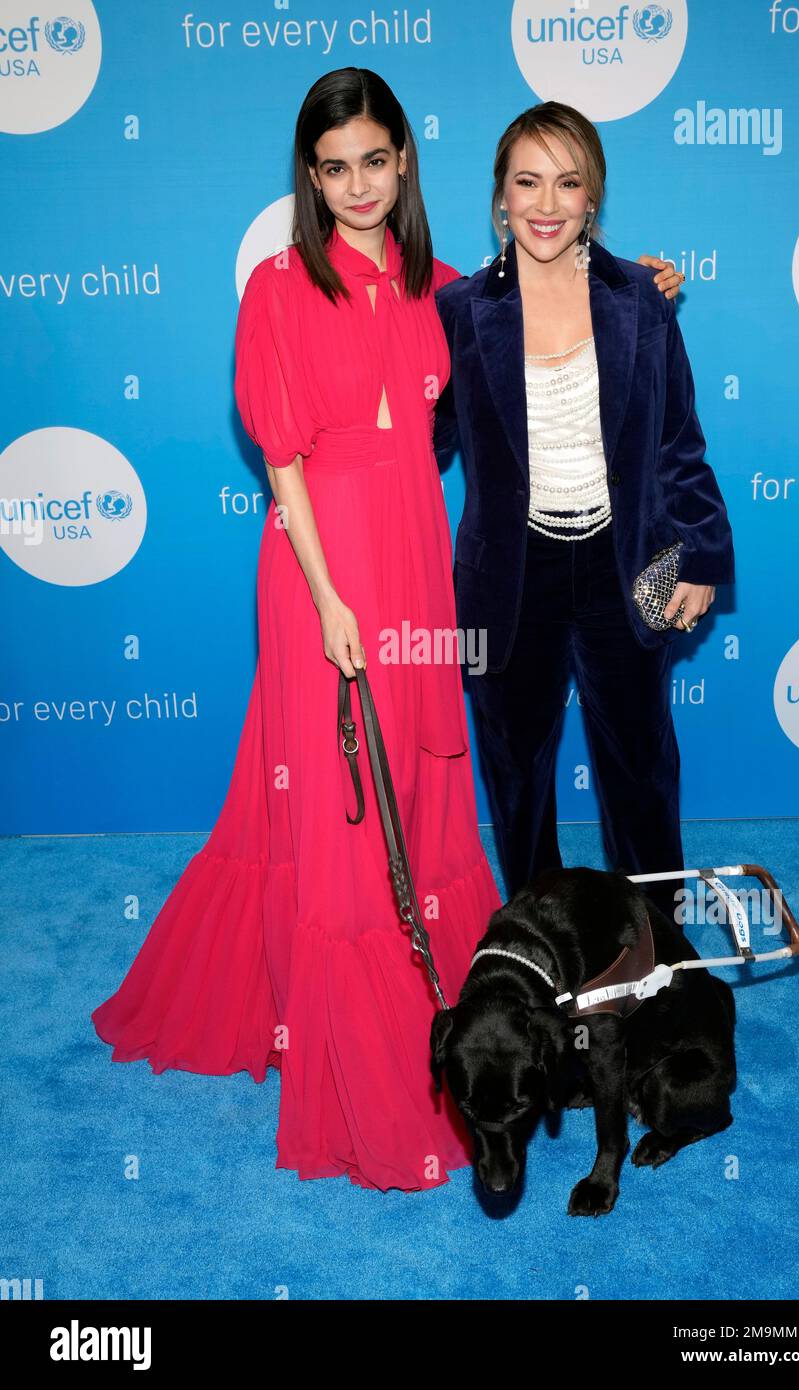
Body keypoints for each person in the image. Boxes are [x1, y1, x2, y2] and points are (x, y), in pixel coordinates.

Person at [91, 71, 684, 1193]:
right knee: (326, 794)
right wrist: (326, 602)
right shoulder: (274, 287)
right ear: (308, 178)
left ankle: (442, 996)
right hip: (325, 572)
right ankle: (325, 1041)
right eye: (333, 166)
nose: (356, 185)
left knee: (417, 782)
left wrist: (639, 283)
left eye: (375, 160)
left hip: (419, 565)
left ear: (404, 162)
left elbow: (546, 303)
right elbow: (281, 462)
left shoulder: (447, 291)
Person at [433, 101, 734, 928]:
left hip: (628, 563)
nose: (546, 203)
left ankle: (660, 947)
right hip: (508, 580)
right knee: (515, 773)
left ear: (592, 196)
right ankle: (542, 948)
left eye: (568, 182)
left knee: (640, 764)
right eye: (527, 181)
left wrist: (702, 555)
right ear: (499, 197)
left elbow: (679, 441)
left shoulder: (640, 295)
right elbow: (425, 437)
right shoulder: (459, 312)